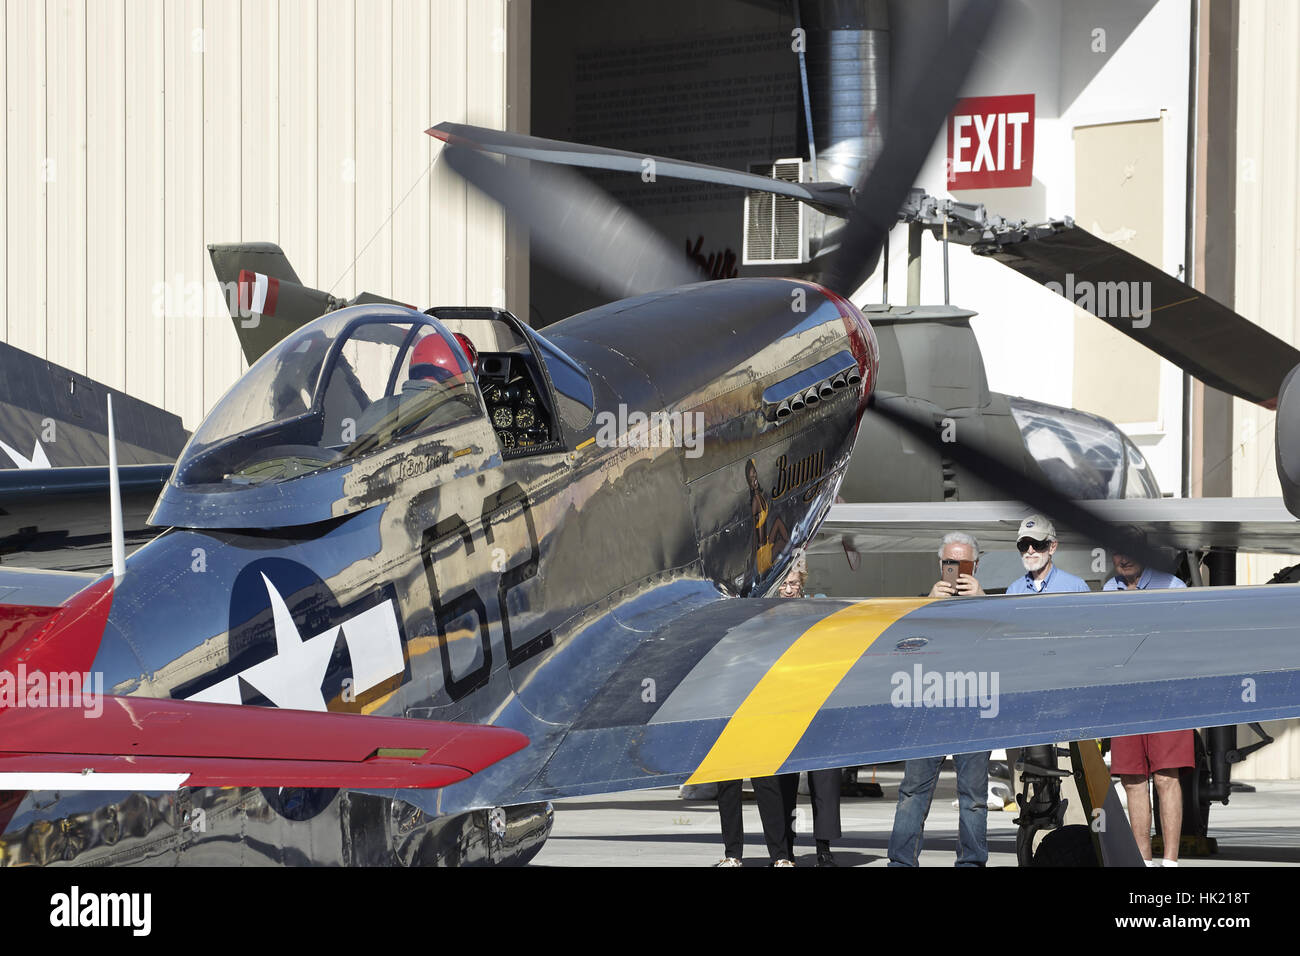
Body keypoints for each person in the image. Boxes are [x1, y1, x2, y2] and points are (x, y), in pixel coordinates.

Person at [887, 532, 991, 867]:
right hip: (929, 705)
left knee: (973, 797)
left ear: (976, 565)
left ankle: (971, 862)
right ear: (939, 564)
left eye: (964, 564)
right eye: (950, 563)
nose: (957, 571)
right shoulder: (924, 602)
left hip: (973, 704)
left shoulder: (989, 604)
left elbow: (1001, 643)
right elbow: (904, 647)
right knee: (913, 792)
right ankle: (901, 861)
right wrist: (927, 604)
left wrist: (983, 599)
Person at [1104, 529, 1191, 867]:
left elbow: (1187, 642)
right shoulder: (1107, 591)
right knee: (1132, 780)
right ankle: (1143, 861)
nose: (1123, 559)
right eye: (1117, 552)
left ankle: (1169, 861)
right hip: (1126, 696)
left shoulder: (1173, 587)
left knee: (1166, 777)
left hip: (1166, 693)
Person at [778, 554, 843, 867]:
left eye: (793, 583)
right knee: (783, 781)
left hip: (816, 705)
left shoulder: (819, 607)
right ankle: (786, 847)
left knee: (825, 779)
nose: (789, 589)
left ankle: (823, 846)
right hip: (783, 708)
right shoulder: (769, 614)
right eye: (783, 584)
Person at [1004, 514, 1089, 594]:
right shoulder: (1014, 590)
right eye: (1023, 545)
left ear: (1052, 547)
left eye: (1037, 544)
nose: (1030, 551)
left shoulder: (1076, 588)